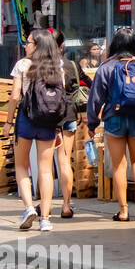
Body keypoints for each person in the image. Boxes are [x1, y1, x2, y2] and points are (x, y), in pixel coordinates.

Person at [86, 28, 135, 222]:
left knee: (119, 164)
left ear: (115, 44)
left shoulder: (107, 67)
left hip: (114, 118)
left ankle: (124, 210)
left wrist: (92, 123)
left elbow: (95, 98)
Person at [10, 31, 66, 233]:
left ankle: (28, 208)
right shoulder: (57, 66)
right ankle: (45, 218)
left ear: (37, 45)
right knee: (45, 169)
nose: (25, 45)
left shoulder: (22, 65)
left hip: (26, 118)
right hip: (49, 122)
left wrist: (9, 121)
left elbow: (16, 96)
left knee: (22, 165)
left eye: (29, 42)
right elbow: (60, 98)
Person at [52, 30, 83, 220]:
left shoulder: (41, 66)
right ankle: (66, 205)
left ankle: (44, 206)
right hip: (69, 116)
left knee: (46, 163)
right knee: (64, 161)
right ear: (62, 45)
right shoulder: (71, 64)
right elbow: (86, 83)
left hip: (48, 119)